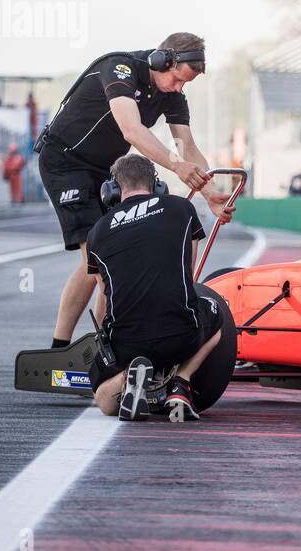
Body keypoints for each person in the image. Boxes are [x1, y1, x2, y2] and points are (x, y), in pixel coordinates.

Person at [35, 33, 232, 350]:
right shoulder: (120, 68)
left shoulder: (172, 93)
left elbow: (188, 146)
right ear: (162, 60)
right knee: (98, 261)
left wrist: (211, 194)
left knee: (109, 258)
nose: (179, 88)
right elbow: (132, 130)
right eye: (177, 79)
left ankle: (101, 347)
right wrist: (176, 166)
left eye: (186, 85)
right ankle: (70, 350)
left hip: (104, 171)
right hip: (65, 162)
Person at [86, 154, 223, 421]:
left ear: (112, 189)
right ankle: (180, 382)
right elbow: (188, 275)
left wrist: (105, 344)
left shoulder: (97, 232)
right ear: (157, 185)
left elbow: (103, 298)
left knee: (102, 399)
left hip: (126, 342)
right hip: (180, 335)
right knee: (218, 311)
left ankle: (129, 378)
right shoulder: (181, 209)